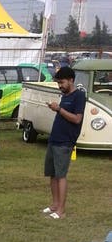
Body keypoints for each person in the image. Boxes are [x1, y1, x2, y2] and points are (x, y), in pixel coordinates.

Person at [42, 66, 85, 219]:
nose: (60, 86)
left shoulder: (79, 96)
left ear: (71, 80)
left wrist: (59, 109)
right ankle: (54, 205)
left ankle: (61, 210)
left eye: (62, 82)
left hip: (65, 142)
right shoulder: (65, 96)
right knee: (52, 174)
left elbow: (77, 119)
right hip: (54, 139)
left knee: (61, 175)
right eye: (58, 83)